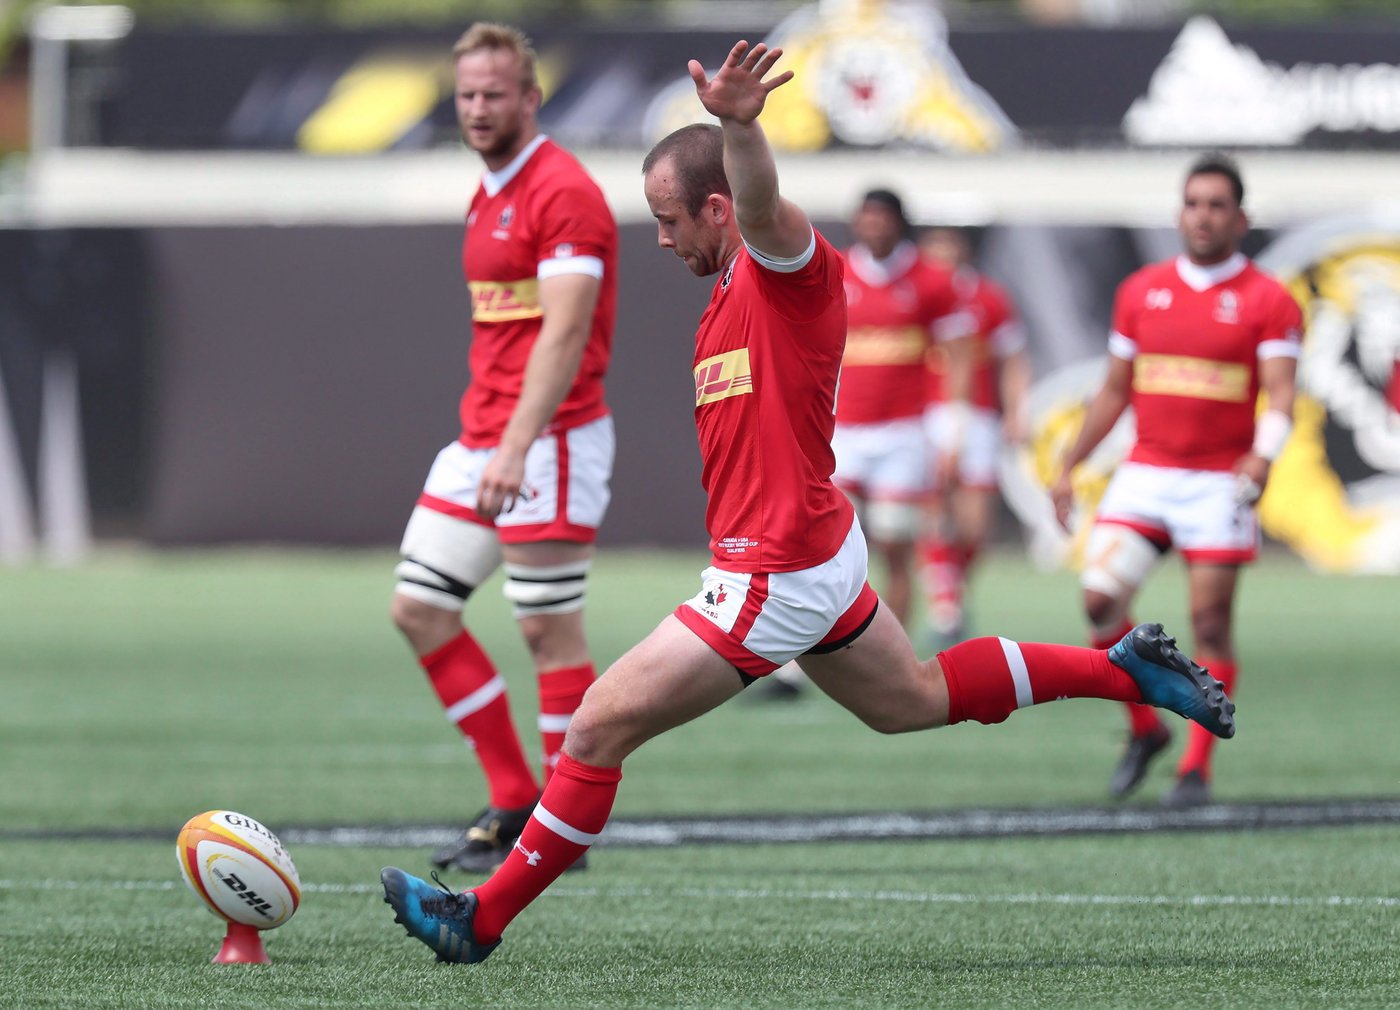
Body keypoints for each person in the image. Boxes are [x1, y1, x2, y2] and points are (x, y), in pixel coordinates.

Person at [379, 41, 1235, 965]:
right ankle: (1124, 670)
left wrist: (740, 128)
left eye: (670, 221)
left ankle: (482, 922)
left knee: (593, 727)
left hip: (778, 566)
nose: (661, 241)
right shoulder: (724, 297)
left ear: (717, 208)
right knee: (912, 698)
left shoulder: (791, 272)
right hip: (815, 548)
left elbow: (758, 205)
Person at [388, 22, 619, 873]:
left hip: (548, 440)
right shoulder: (490, 189)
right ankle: (515, 795)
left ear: (532, 98)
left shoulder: (563, 191)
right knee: (419, 609)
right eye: (468, 95)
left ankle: (564, 827)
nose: (479, 109)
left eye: (495, 94)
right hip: (483, 436)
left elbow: (565, 333)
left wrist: (519, 444)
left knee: (548, 634)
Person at [1050, 153, 1299, 808]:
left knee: (1209, 624)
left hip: (1219, 484)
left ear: (1240, 219)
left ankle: (1196, 769)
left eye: (1218, 204)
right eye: (1194, 202)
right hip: (1148, 474)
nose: (1204, 215)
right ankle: (1145, 728)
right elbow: (1113, 391)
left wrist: (1263, 455)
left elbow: (1280, 396)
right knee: (1099, 602)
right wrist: (1071, 463)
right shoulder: (1142, 290)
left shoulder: (1267, 299)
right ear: (1178, 213)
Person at [832, 192, 973, 628]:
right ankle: (803, 661)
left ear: (898, 223)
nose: (873, 226)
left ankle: (890, 649)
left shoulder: (932, 280)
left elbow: (960, 356)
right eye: (866, 217)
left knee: (894, 545)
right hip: (843, 433)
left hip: (902, 434)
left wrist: (952, 429)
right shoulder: (835, 272)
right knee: (831, 546)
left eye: (882, 218)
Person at [918, 227, 1031, 645]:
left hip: (978, 418)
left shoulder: (988, 297)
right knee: (932, 513)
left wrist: (1017, 411)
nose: (940, 253)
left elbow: (1013, 358)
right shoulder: (915, 294)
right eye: (933, 245)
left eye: (947, 244)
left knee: (974, 526)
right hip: (926, 416)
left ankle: (952, 586)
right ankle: (944, 604)